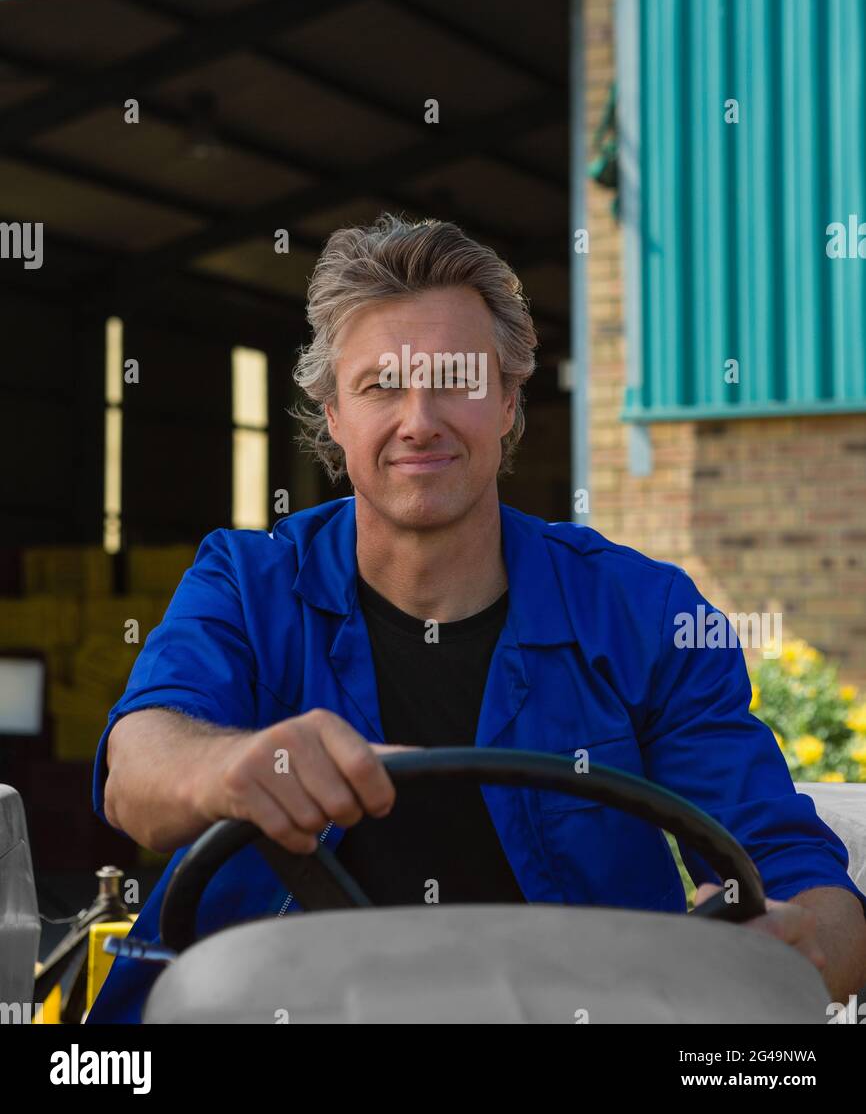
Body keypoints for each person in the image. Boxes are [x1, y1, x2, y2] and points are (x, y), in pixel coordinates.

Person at [87, 214, 866, 1023]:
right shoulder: (245, 584)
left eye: (456, 379)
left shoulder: (645, 614)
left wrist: (800, 947)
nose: (419, 419)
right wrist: (232, 766)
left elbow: (799, 877)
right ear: (333, 415)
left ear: (506, 402)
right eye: (381, 385)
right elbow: (137, 772)